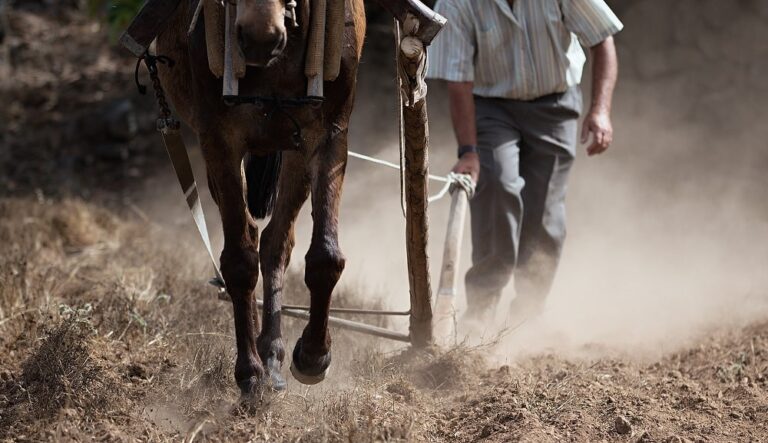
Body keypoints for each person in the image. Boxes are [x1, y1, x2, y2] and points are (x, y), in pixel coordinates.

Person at [427, 0, 623, 325]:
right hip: (493, 107)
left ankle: (528, 317)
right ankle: (481, 310)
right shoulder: (457, 3)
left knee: (545, 213)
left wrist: (600, 110)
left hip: (556, 105)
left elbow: (603, 38)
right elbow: (458, 81)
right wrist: (469, 151)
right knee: (498, 185)